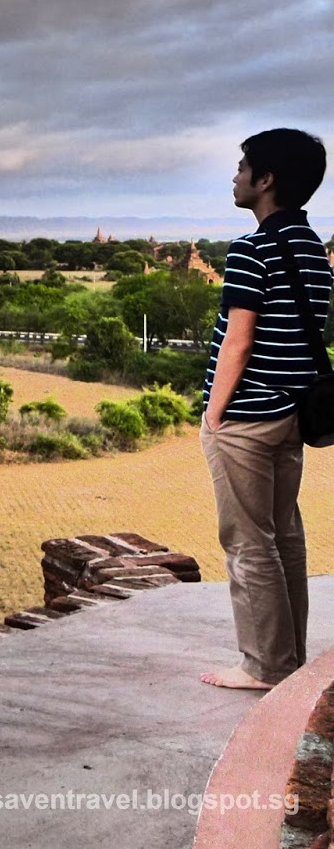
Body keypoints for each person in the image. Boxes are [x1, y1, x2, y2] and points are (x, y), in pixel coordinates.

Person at [201, 128, 330, 689]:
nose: (235, 177)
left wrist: (214, 414)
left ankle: (264, 666)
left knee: (248, 542)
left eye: (242, 167)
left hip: (247, 417)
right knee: (283, 536)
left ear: (266, 179)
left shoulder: (251, 249)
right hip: (293, 414)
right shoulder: (313, 248)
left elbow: (239, 340)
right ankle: (289, 658)